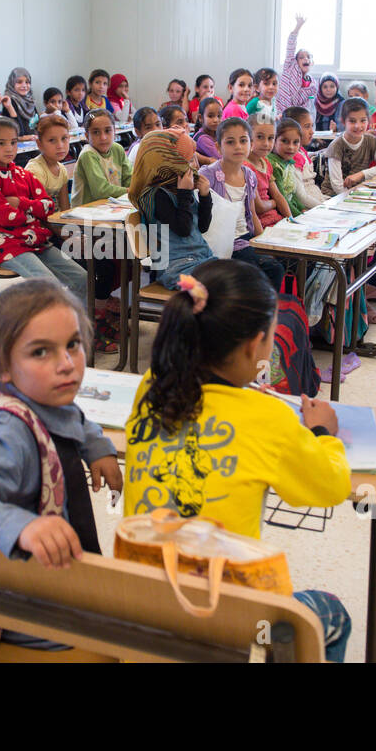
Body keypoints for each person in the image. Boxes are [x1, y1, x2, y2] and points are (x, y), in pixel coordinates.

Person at [122, 258, 352, 662]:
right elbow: (331, 487)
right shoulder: (270, 417)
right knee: (332, 613)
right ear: (253, 346)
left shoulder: (151, 387)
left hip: (141, 610)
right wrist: (322, 433)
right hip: (225, 621)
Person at [0, 279, 121, 582]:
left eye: (73, 344)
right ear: (1, 368)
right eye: (41, 352)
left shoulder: (43, 393)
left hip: (63, 564)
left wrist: (95, 445)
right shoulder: (6, 430)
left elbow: (69, 415)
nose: (66, 363)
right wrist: (19, 525)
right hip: (25, 587)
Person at [0, 118, 87, 300]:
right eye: (1, 143)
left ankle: (76, 317)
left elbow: (48, 207)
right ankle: (49, 318)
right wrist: (32, 214)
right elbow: (4, 217)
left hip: (34, 240)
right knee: (48, 286)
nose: (9, 148)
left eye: (13, 142)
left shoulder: (20, 173)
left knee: (82, 278)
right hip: (7, 244)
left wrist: (22, 204)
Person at [199, 118, 285, 291]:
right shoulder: (207, 175)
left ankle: (263, 304)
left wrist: (262, 242)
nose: (238, 146)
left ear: (250, 144)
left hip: (245, 238)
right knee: (269, 270)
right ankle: (258, 307)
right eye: (230, 142)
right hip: (222, 242)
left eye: (243, 141)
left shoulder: (249, 175)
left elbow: (252, 213)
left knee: (281, 261)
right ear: (218, 147)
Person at [130, 131, 214, 288]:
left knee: (236, 278)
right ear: (171, 164)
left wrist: (205, 196)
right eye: (190, 161)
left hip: (202, 258)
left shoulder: (179, 187)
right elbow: (183, 229)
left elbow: (202, 227)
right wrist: (185, 193)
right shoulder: (157, 195)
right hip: (176, 267)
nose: (196, 166)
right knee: (216, 288)